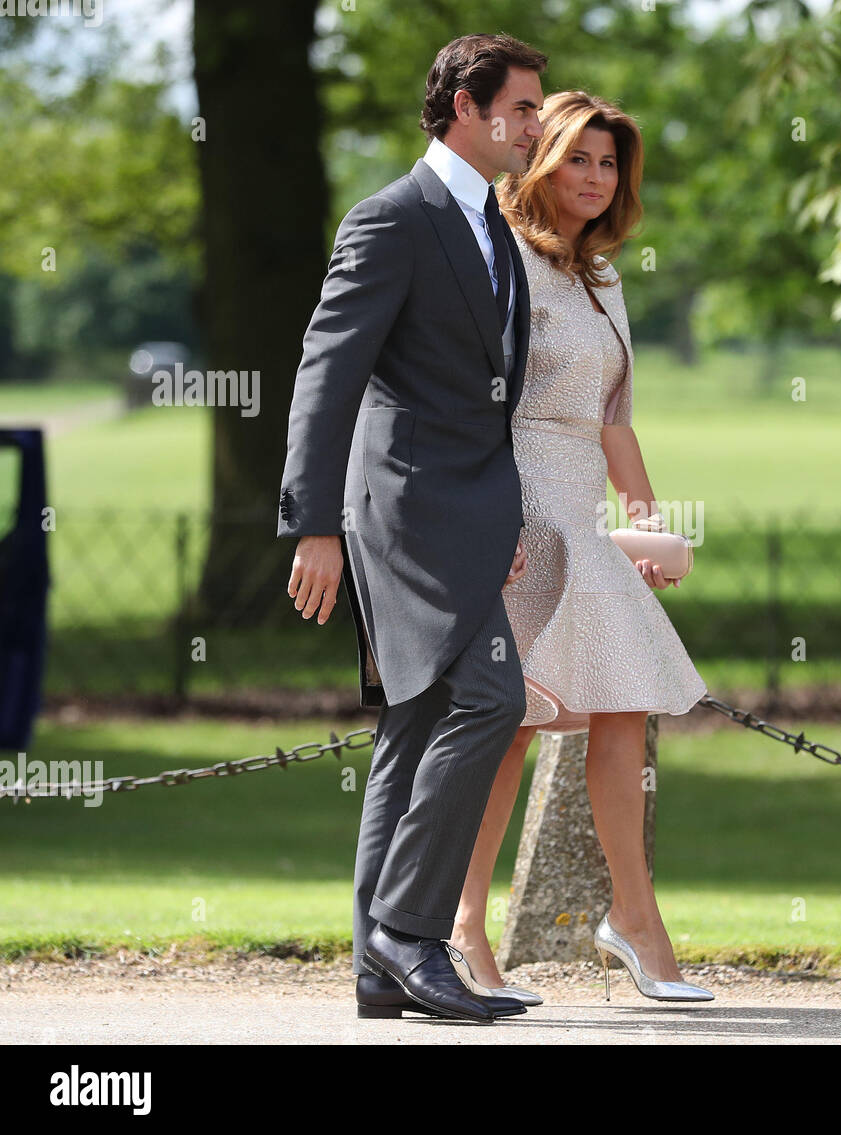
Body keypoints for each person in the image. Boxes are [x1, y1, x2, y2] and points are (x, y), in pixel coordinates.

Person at [276, 34, 549, 1023]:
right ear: (468, 109)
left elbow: (489, 400)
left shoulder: (493, 226)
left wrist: (505, 508)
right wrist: (311, 524)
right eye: (521, 108)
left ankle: (374, 967)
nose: (534, 126)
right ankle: (409, 930)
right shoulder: (390, 220)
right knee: (493, 697)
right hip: (400, 516)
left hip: (471, 513)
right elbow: (326, 372)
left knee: (421, 719)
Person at [445, 91, 712, 1003]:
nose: (596, 179)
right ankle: (461, 925)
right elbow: (471, 403)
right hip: (515, 510)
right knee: (508, 725)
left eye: (610, 164)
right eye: (578, 160)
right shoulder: (499, 257)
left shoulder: (605, 281)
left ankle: (633, 917)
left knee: (626, 701)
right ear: (540, 160)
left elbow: (614, 419)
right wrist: (487, 524)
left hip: (583, 519)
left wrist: (643, 520)